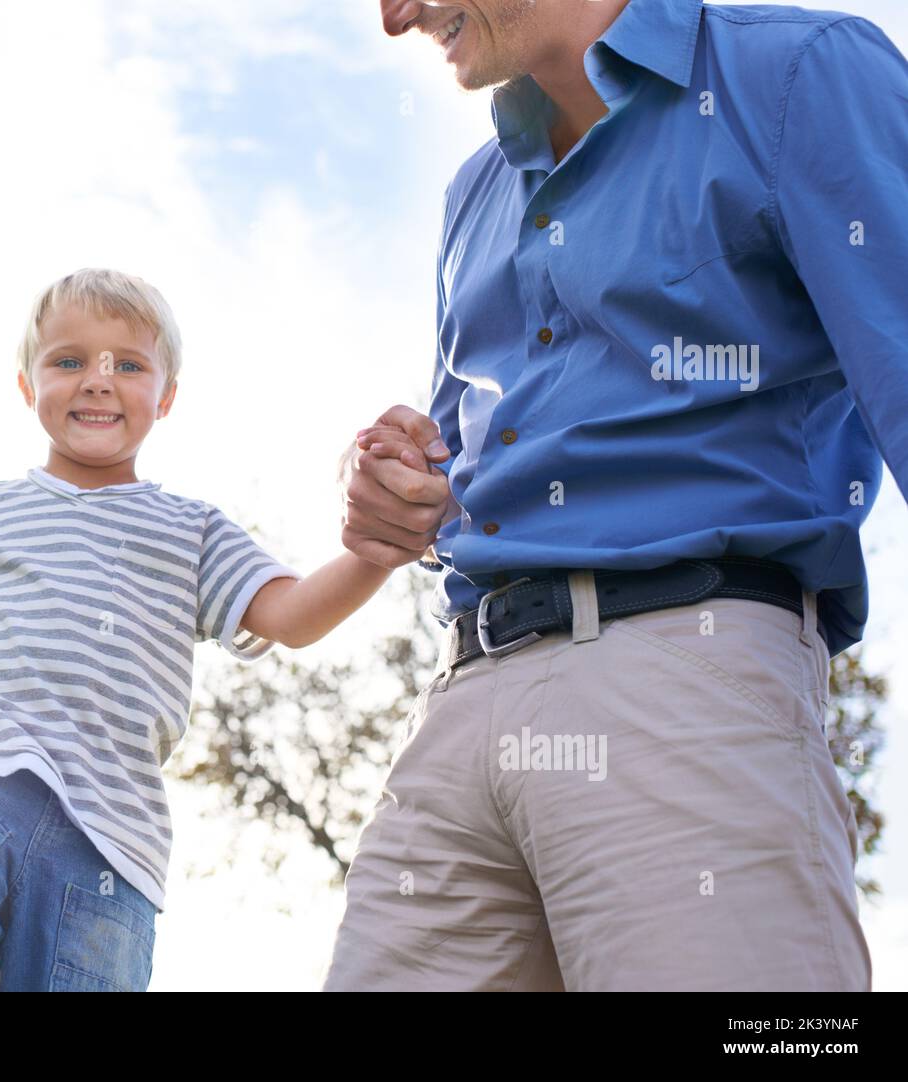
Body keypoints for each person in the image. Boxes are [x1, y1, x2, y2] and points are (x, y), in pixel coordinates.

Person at [324, 0, 907, 990]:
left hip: (691, 676)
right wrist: (397, 490)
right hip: (457, 714)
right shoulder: (474, 192)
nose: (392, 17)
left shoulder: (799, 73)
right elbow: (458, 475)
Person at [0, 267, 403, 991]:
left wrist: (379, 544)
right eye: (68, 361)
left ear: (166, 396)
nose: (97, 380)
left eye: (128, 364)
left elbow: (293, 614)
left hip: (110, 842)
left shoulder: (193, 529)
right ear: (28, 385)